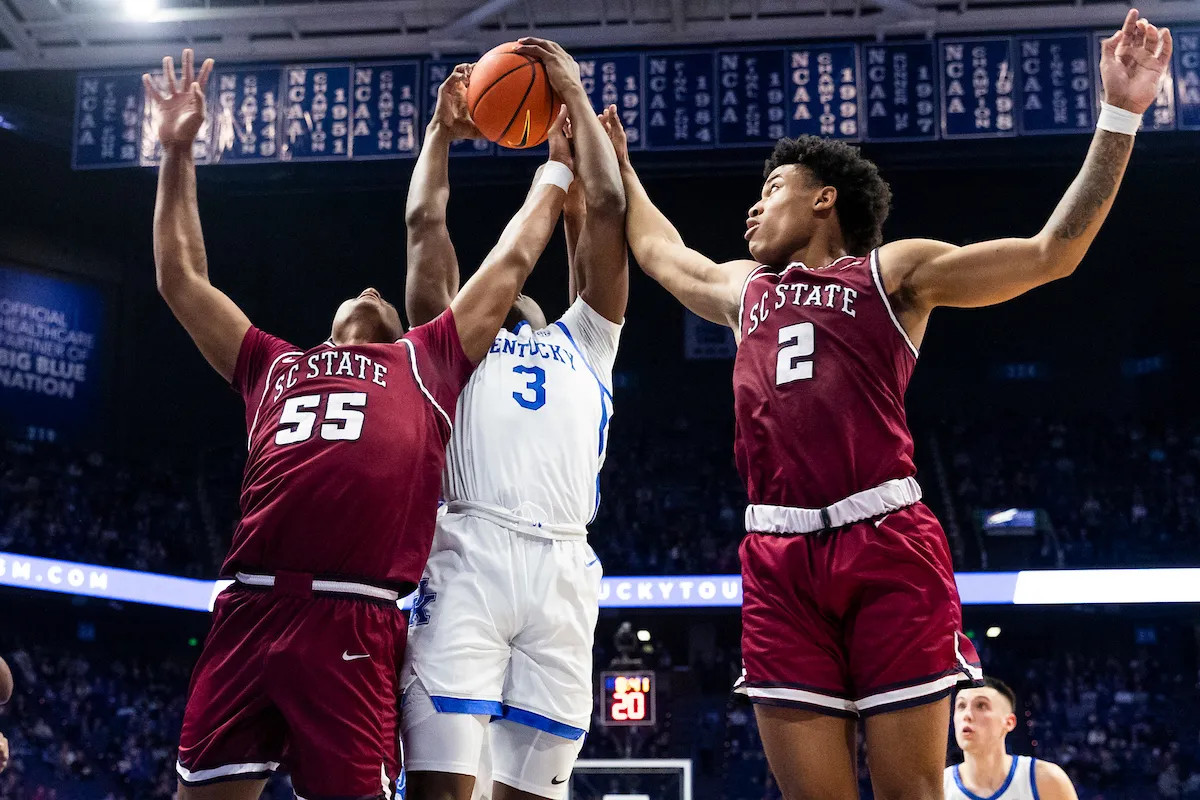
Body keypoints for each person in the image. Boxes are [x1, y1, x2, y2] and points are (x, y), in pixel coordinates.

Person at [605, 10, 1171, 800]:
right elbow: (659, 250)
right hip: (776, 555)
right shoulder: (745, 291)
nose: (753, 209)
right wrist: (618, 167)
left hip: (886, 542)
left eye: (772, 190)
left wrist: (1120, 115)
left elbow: (1053, 253)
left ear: (824, 198)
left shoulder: (890, 274)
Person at [143, 49, 571, 800]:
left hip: (355, 616)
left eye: (385, 295)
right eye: (360, 291)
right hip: (247, 607)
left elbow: (509, 263)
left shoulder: (426, 361)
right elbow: (181, 279)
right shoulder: (270, 364)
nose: (373, 288)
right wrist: (177, 153)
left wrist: (557, 173)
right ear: (329, 327)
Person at [399, 39, 627, 800]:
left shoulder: (587, 341)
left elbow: (607, 212)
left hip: (563, 563)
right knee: (441, 788)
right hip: (470, 550)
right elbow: (425, 225)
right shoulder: (449, 345)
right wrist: (439, 133)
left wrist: (574, 96)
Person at [946, 678, 1078, 800]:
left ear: (1009, 722)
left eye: (981, 705)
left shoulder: (1047, 780)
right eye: (961, 706)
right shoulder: (940, 787)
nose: (967, 715)